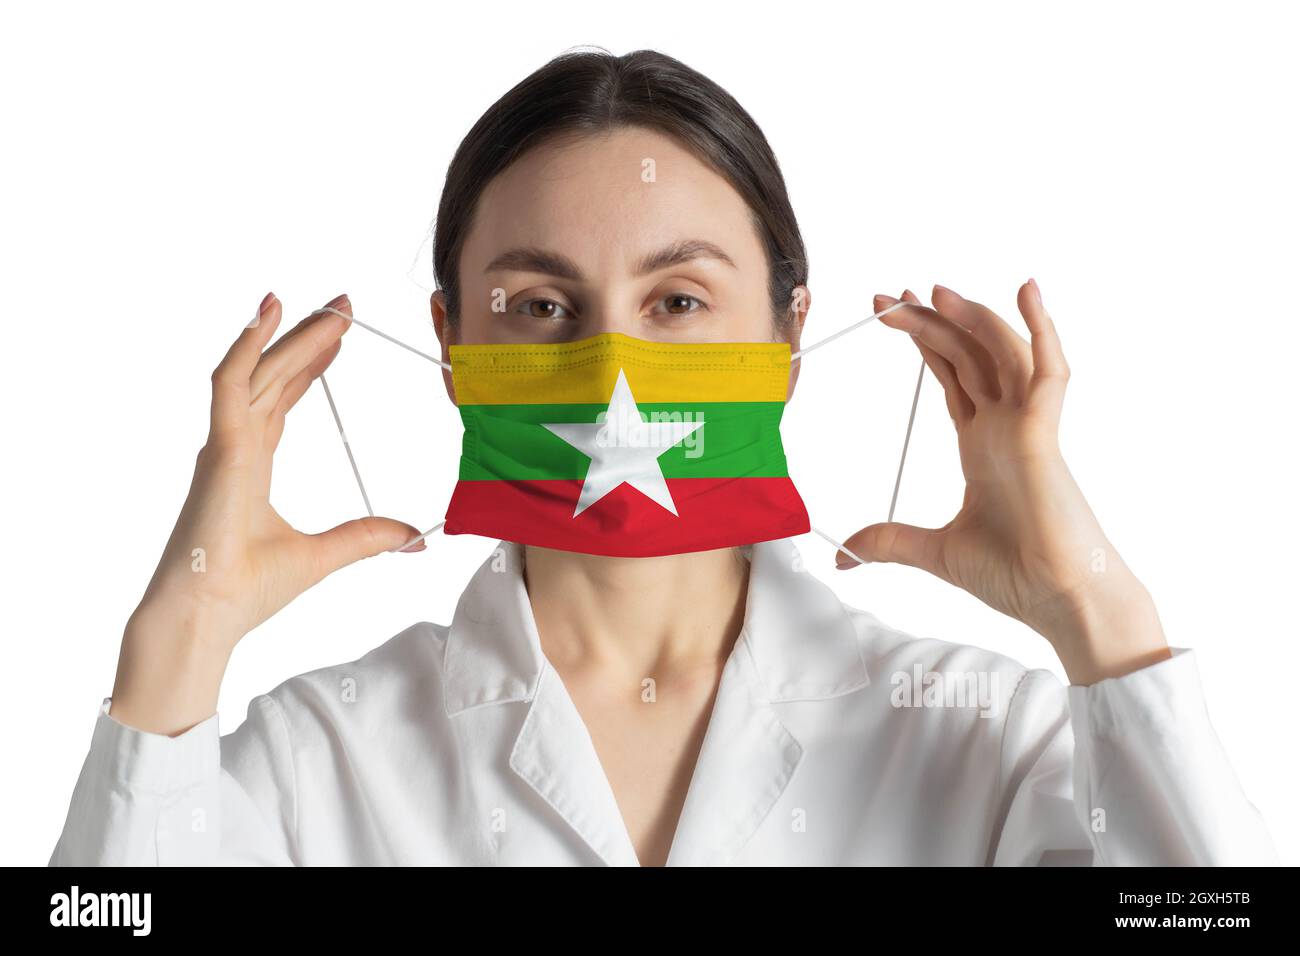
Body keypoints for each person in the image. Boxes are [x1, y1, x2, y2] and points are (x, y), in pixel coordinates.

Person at [50, 48, 1276, 866]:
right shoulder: (318, 760)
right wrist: (181, 638)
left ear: (790, 332)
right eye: (538, 305)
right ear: (449, 337)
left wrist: (1094, 611)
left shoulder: (980, 738)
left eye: (679, 300)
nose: (613, 369)